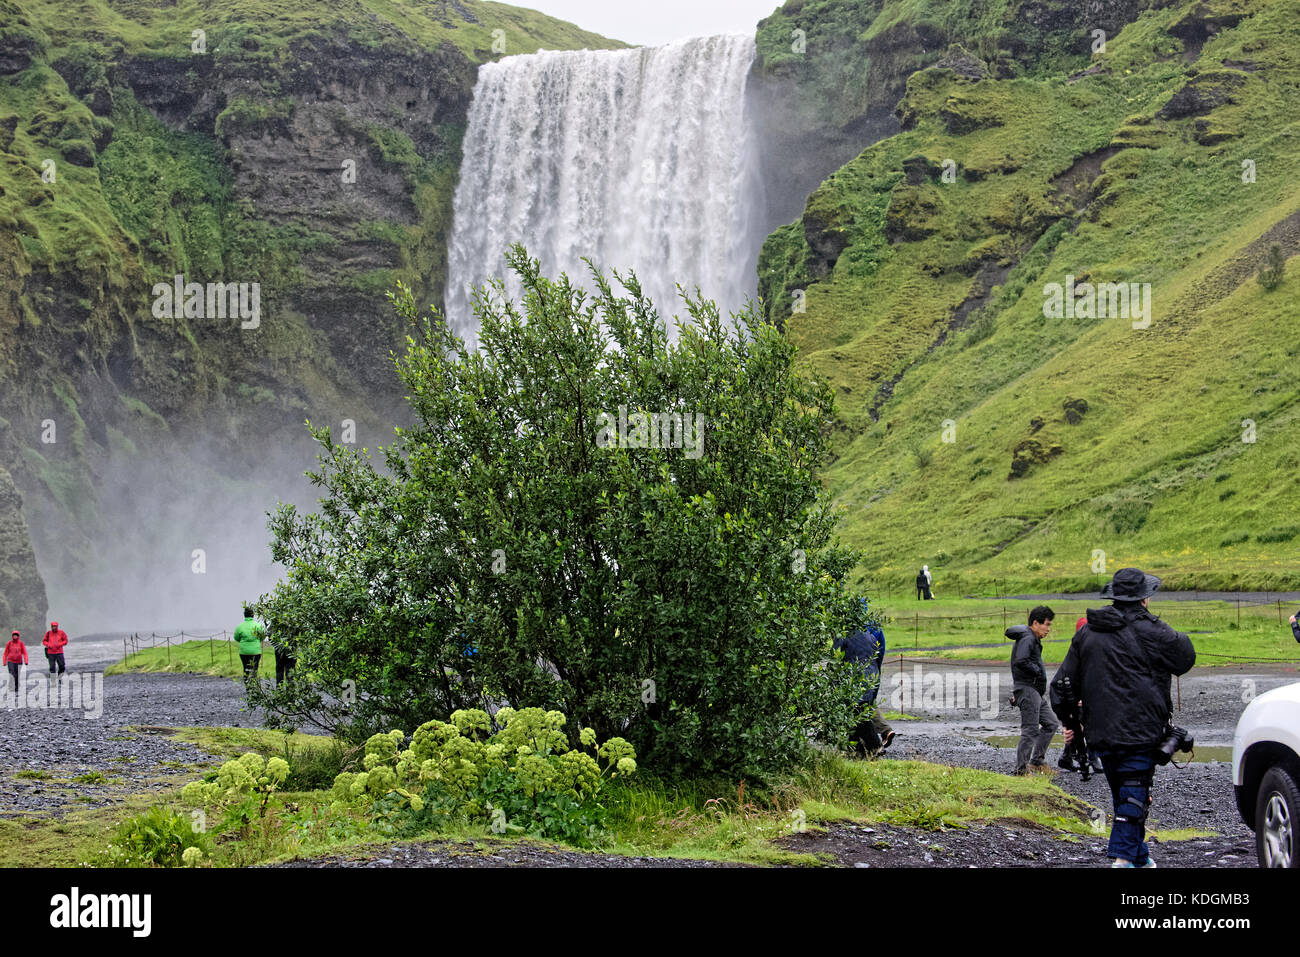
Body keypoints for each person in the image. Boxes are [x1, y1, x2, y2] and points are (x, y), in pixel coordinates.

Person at [1050, 567, 1195, 869]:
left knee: (1127, 797)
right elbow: (1185, 658)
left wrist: (1071, 725)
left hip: (1100, 733)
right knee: (1132, 798)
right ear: (1144, 598)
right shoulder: (1154, 630)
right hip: (1141, 732)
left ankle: (1141, 860)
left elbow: (1061, 685)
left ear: (1114, 597)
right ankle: (1123, 860)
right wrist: (1159, 627)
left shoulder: (1087, 632)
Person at [834, 599, 896, 755]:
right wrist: (877, 670)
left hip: (853, 675)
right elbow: (879, 652)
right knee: (864, 706)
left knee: (856, 708)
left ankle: (871, 746)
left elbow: (836, 655)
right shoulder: (873, 629)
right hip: (872, 671)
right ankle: (861, 747)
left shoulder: (845, 630)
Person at [1008, 605, 1058, 774]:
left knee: (1051, 723)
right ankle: (1021, 771)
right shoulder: (1028, 638)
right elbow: (1020, 661)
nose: (1049, 629)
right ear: (1036, 623)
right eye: (1047, 624)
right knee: (1030, 730)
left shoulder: (1031, 638)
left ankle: (1037, 761)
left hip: (1033, 691)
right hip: (1028, 690)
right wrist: (1036, 671)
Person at [233, 607, 266, 683]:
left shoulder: (239, 627)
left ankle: (248, 686)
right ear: (253, 615)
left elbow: (236, 638)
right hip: (255, 651)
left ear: (244, 615)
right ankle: (254, 687)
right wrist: (257, 641)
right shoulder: (258, 626)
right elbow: (262, 637)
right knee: (254, 669)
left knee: (246, 669)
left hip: (244, 652)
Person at [4, 630, 28, 700]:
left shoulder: (21, 644)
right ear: (12, 636)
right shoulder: (9, 643)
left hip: (19, 662)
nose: (15, 636)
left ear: (18, 636)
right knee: (12, 674)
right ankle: (11, 686)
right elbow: (5, 653)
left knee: (17, 675)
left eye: (16, 635)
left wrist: (26, 661)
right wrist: (4, 662)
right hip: (10, 661)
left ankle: (16, 688)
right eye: (14, 635)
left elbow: (25, 653)